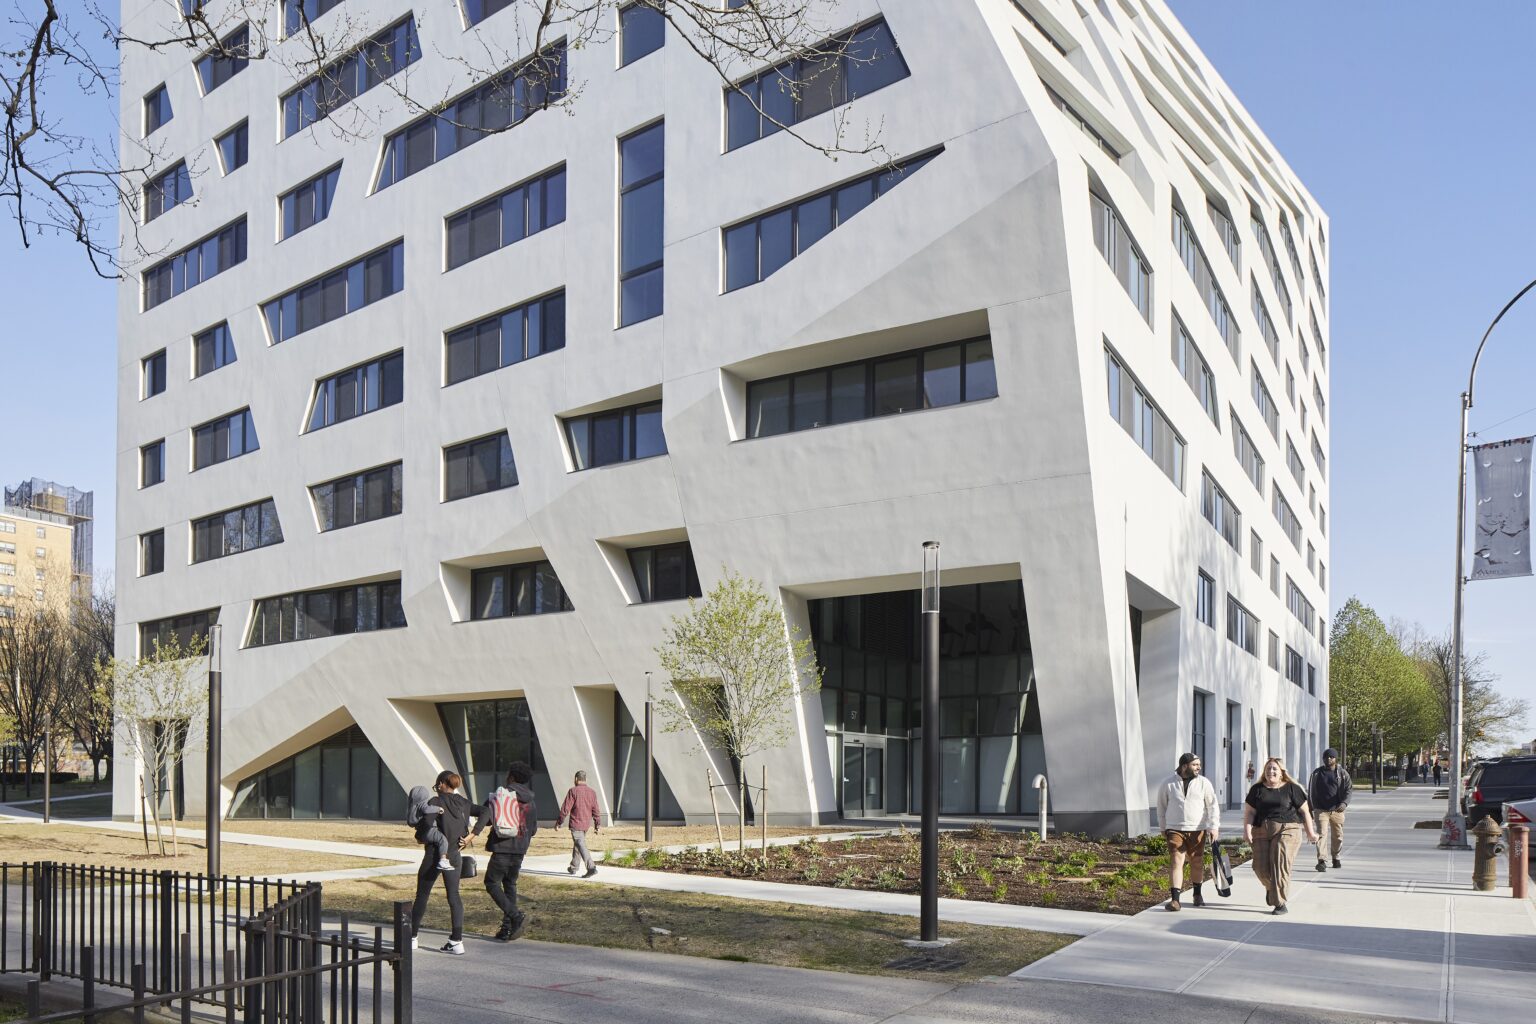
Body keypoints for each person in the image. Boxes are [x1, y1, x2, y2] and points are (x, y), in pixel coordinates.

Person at [409, 771, 481, 955]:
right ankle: (456, 941)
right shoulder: (463, 803)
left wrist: (419, 836)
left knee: (422, 895)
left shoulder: (436, 801)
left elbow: (426, 823)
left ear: (441, 784)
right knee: (454, 896)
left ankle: (412, 937)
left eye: (437, 785)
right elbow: (487, 811)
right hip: (455, 855)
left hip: (434, 855)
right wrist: (472, 835)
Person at [468, 761, 538, 942]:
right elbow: (533, 829)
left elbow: (487, 817)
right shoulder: (531, 801)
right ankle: (507, 928)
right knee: (510, 885)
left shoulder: (501, 795)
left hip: (502, 847)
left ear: (512, 777)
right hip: (520, 849)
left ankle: (516, 916)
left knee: (491, 883)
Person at [1244, 757, 1320, 914]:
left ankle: (1280, 903)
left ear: (1281, 773)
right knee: (1259, 868)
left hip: (1288, 829)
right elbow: (1250, 812)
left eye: (1274, 769)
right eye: (1268, 768)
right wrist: (1247, 830)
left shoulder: (1292, 788)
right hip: (1261, 830)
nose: (1271, 771)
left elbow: (1305, 812)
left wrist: (1310, 833)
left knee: (1280, 862)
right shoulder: (1257, 789)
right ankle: (1271, 888)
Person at [1155, 752, 1219, 911]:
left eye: (1199, 765)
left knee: (1196, 862)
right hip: (1175, 829)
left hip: (1197, 829)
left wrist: (1214, 826)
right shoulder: (1168, 783)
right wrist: (1163, 827)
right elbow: (1161, 807)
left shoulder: (1204, 783)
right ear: (1184, 766)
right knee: (1176, 861)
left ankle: (1197, 894)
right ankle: (1175, 900)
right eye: (1195, 765)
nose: (1199, 767)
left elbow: (1212, 806)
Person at [1308, 748, 1351, 871]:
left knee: (1338, 836)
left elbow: (1348, 790)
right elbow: (1310, 791)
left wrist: (1344, 803)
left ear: (1335, 759)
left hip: (1337, 810)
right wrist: (1310, 808)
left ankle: (1336, 857)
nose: (1328, 759)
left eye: (1331, 757)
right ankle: (1322, 860)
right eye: (1326, 757)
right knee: (1321, 834)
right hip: (1320, 810)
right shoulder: (1316, 773)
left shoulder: (1342, 773)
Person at [556, 769, 602, 878]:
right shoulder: (592, 792)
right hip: (586, 824)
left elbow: (565, 808)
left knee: (580, 844)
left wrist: (559, 822)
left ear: (576, 779)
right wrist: (597, 825)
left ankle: (591, 867)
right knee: (578, 844)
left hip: (576, 823)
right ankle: (574, 867)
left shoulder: (573, 791)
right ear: (585, 779)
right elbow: (596, 810)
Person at [406, 785, 455, 872]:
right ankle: (443, 860)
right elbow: (426, 809)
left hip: (421, 830)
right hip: (430, 830)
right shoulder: (422, 804)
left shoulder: (412, 807)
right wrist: (439, 809)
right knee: (443, 840)